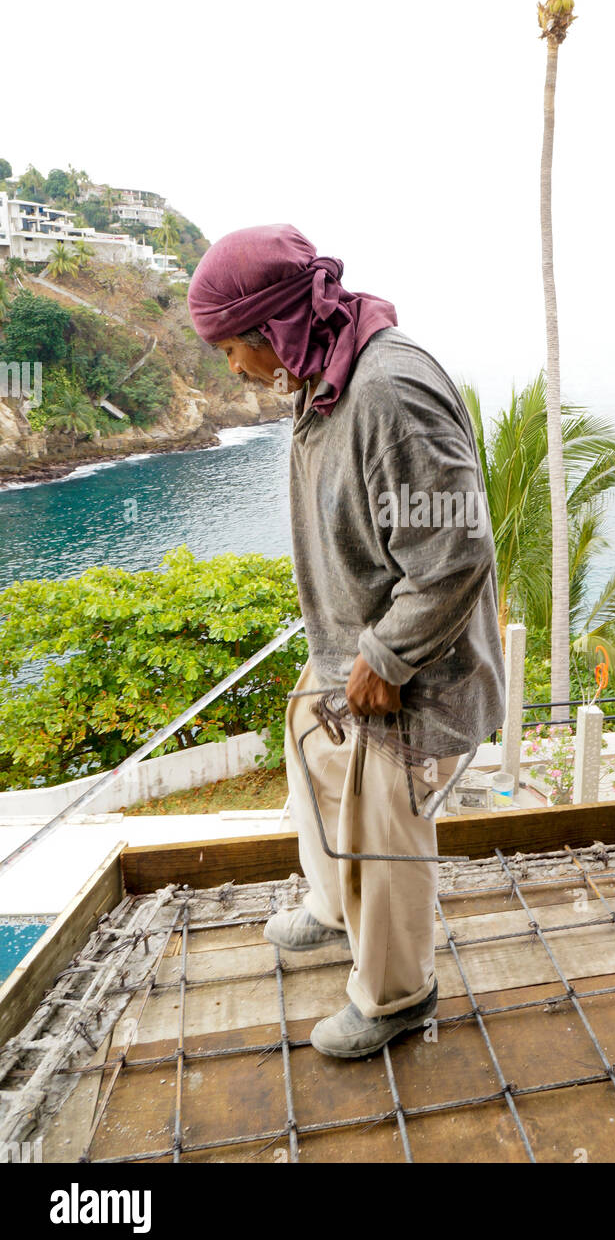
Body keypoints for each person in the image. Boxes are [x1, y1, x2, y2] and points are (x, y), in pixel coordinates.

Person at [188, 224, 504, 1059]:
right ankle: (332, 911)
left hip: (408, 666)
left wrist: (388, 658)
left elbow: (456, 548)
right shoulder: (326, 365)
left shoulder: (386, 393)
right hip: (345, 644)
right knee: (312, 762)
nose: (234, 370)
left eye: (231, 350)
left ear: (275, 328)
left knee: (382, 826)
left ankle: (397, 994)